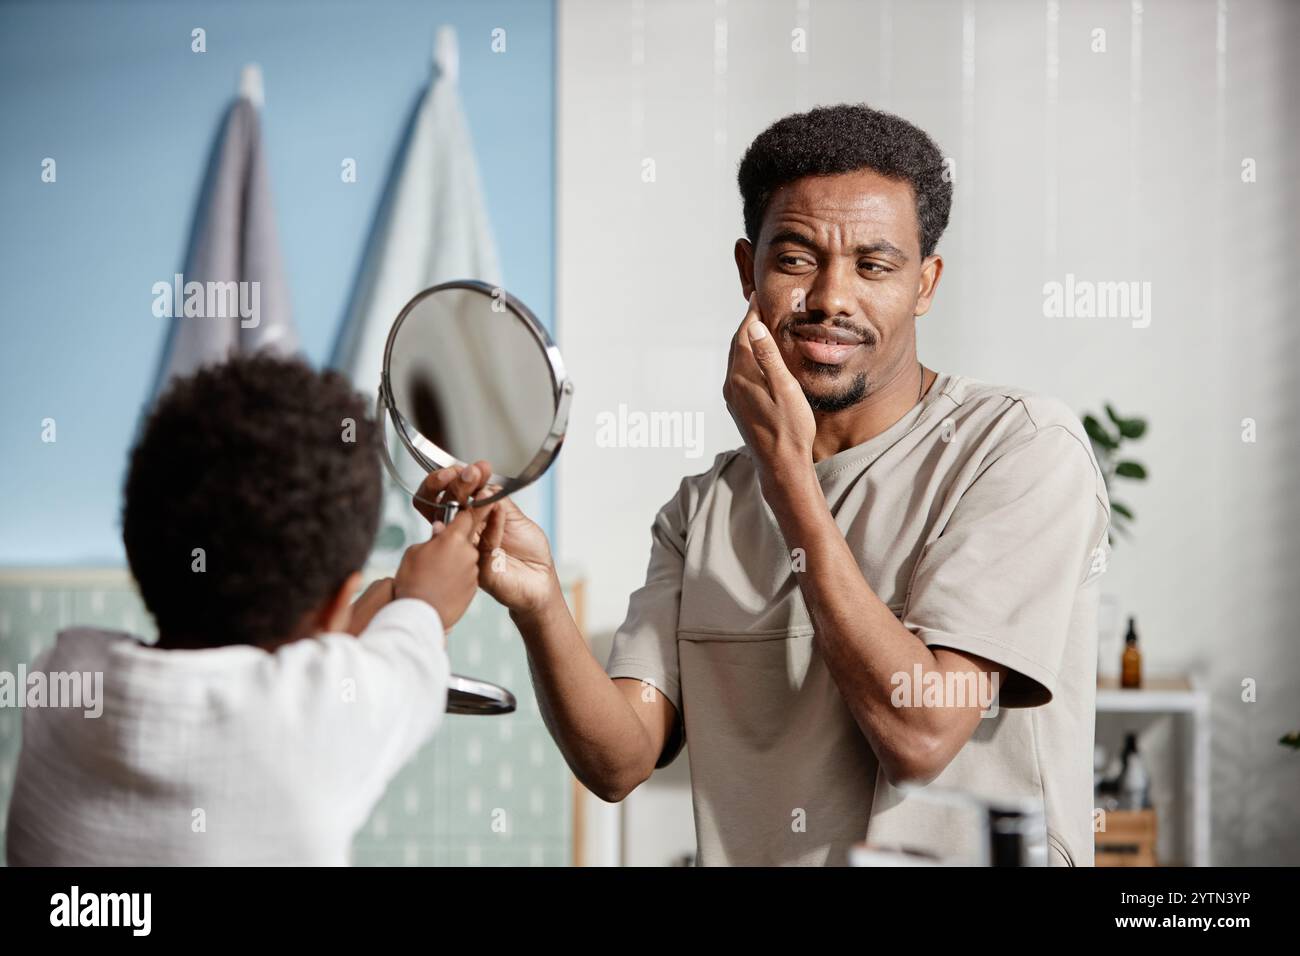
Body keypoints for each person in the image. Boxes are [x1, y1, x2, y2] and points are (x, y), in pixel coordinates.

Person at [432, 103, 1112, 866]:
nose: (830, 297)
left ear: (925, 284)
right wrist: (539, 602)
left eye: (874, 265)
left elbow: (921, 734)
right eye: (795, 260)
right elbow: (619, 760)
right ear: (746, 272)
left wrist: (788, 479)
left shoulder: (1019, 449)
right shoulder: (701, 513)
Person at [5, 353, 493, 865]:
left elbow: (278, 682)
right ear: (334, 604)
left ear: (139, 547)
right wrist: (423, 601)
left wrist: (398, 602)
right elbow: (406, 656)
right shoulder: (324, 724)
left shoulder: (64, 674)